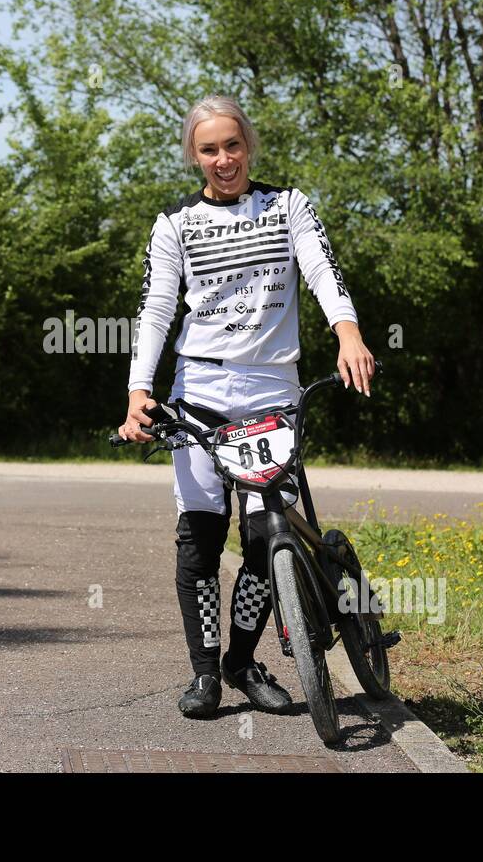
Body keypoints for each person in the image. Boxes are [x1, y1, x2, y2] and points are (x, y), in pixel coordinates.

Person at [117, 94, 375, 719]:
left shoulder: (287, 206)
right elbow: (156, 309)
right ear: (193, 155)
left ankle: (242, 658)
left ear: (248, 145)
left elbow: (320, 270)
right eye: (209, 149)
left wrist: (348, 333)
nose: (223, 159)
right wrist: (137, 393)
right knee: (200, 537)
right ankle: (206, 674)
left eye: (233, 145)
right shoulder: (174, 224)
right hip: (198, 391)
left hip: (270, 389)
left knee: (265, 536)